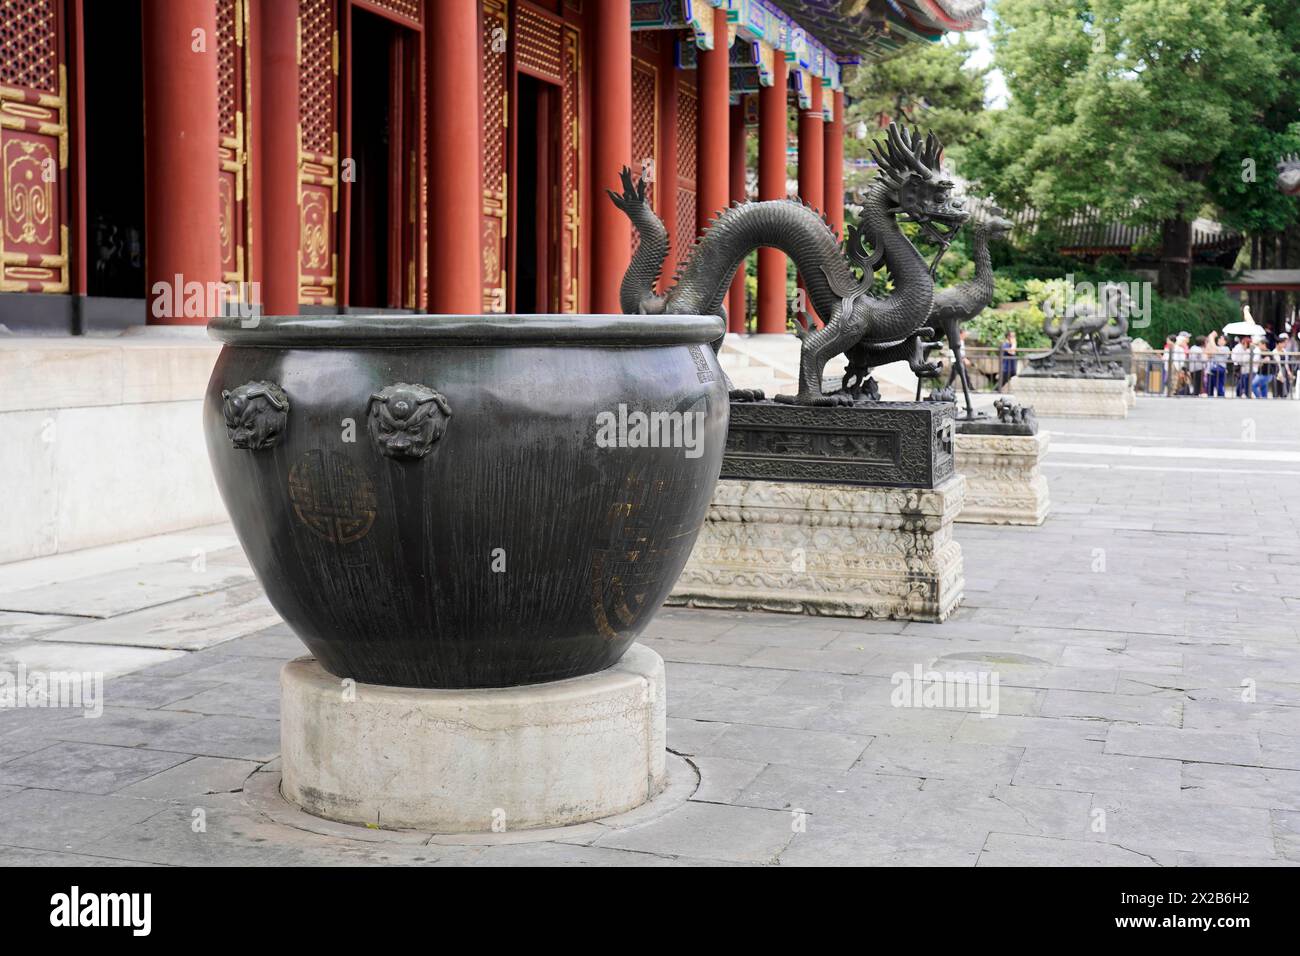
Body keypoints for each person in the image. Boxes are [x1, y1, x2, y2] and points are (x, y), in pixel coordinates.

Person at [1204, 331, 1226, 397]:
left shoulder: (1225, 348)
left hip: (1219, 370)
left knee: (1219, 387)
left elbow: (1215, 349)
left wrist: (1211, 337)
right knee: (1209, 388)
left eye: (1221, 339)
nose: (1219, 339)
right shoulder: (1216, 347)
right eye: (1219, 338)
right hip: (1211, 370)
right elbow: (1208, 351)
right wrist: (1210, 338)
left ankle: (1221, 398)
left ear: (1225, 341)